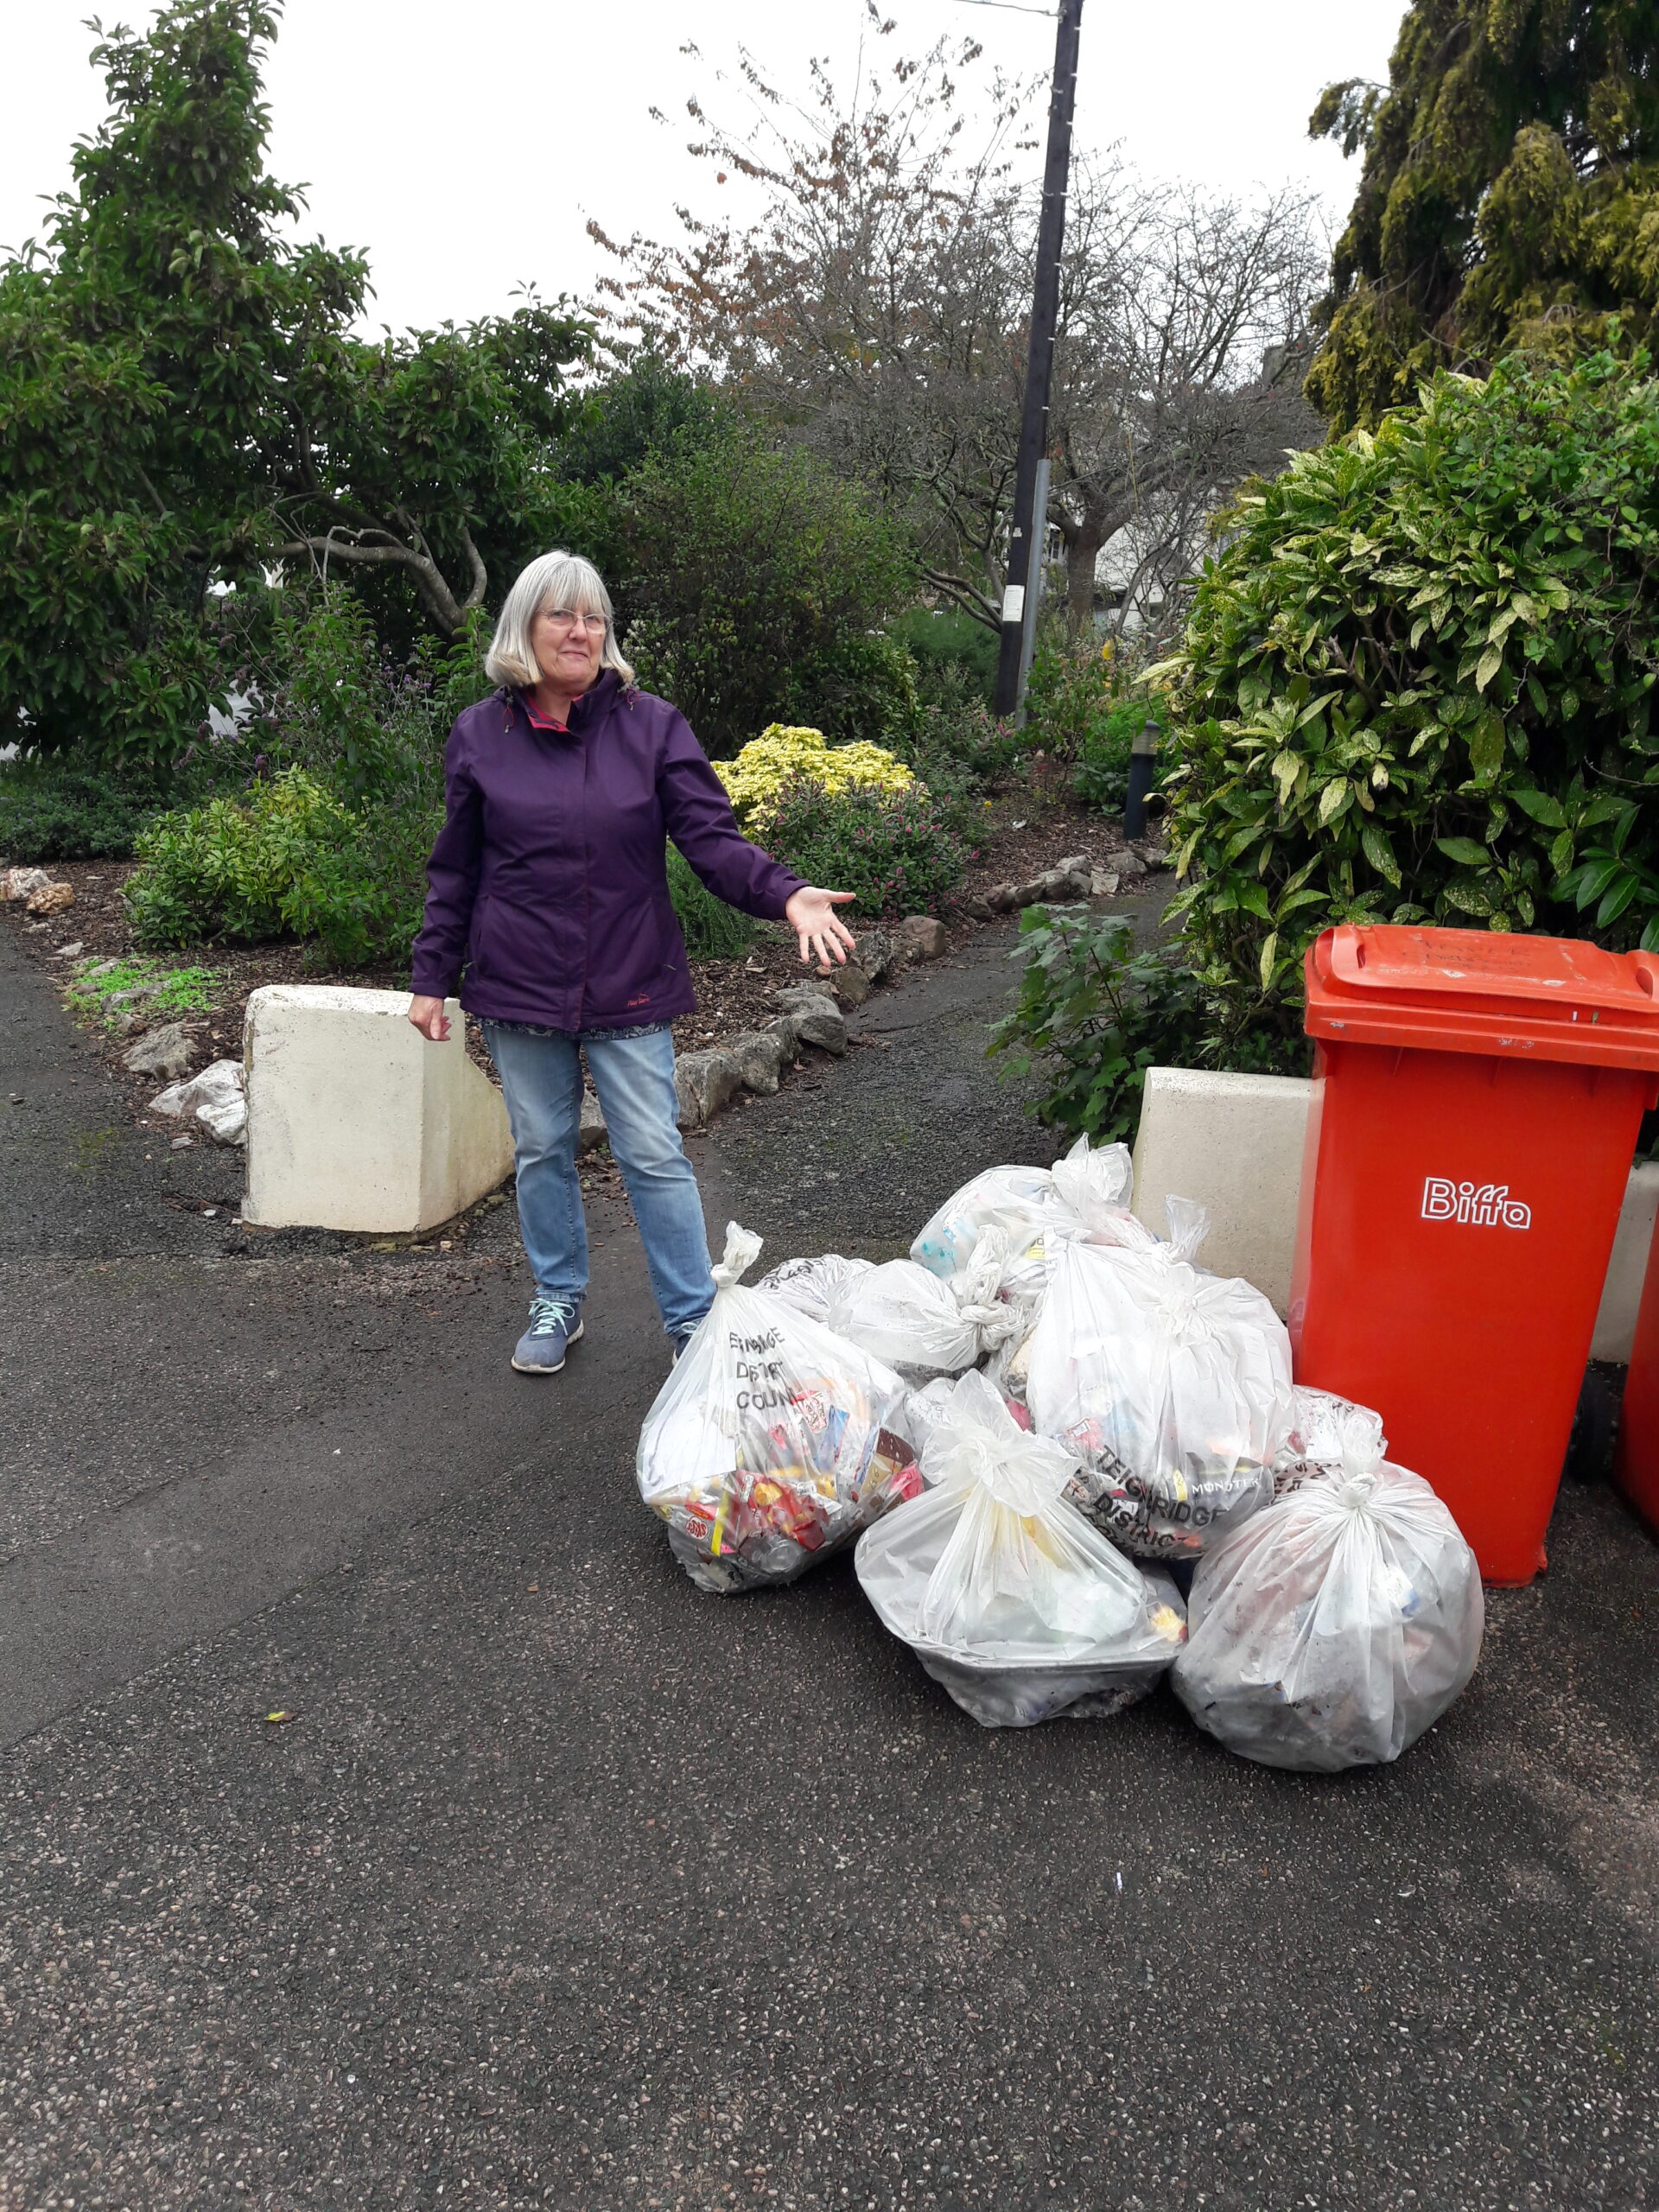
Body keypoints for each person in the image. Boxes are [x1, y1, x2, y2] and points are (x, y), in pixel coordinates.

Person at [407, 550, 855, 1375]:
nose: (580, 632)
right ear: (525, 627)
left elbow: (711, 840)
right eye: (561, 615)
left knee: (652, 1151)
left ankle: (691, 1320)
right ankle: (558, 1297)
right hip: (518, 984)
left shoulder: (652, 726)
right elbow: (456, 871)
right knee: (542, 1150)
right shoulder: (479, 734)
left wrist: (787, 893)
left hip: (629, 980)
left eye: (594, 618)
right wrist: (432, 978)